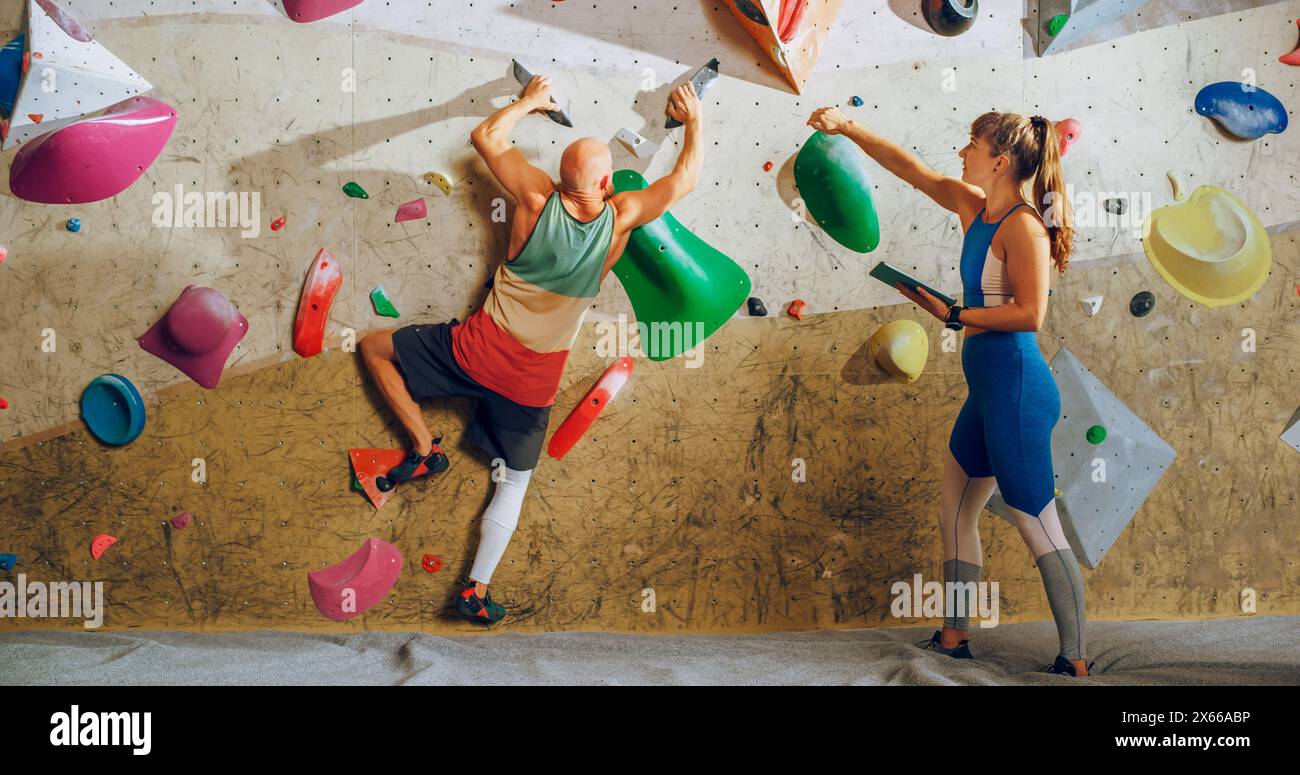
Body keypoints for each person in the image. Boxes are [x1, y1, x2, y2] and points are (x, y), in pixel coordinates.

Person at [360, 76, 706, 624]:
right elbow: (685, 178)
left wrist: (529, 102)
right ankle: (474, 590)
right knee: (514, 484)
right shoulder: (621, 220)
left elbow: (485, 137)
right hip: (530, 384)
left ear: (560, 177)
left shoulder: (535, 196)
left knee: (375, 348)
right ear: (609, 182)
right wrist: (693, 120)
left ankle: (425, 448)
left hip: (471, 351)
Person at [807, 106, 1091, 676]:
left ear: (1000, 161)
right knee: (955, 511)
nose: (962, 153)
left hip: (1017, 390)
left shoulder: (1024, 226)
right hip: (985, 391)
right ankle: (955, 636)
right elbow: (909, 169)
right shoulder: (974, 207)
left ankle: (1076, 660)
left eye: (972, 145)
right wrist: (848, 127)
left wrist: (957, 313)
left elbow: (1031, 314)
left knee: (1037, 524)